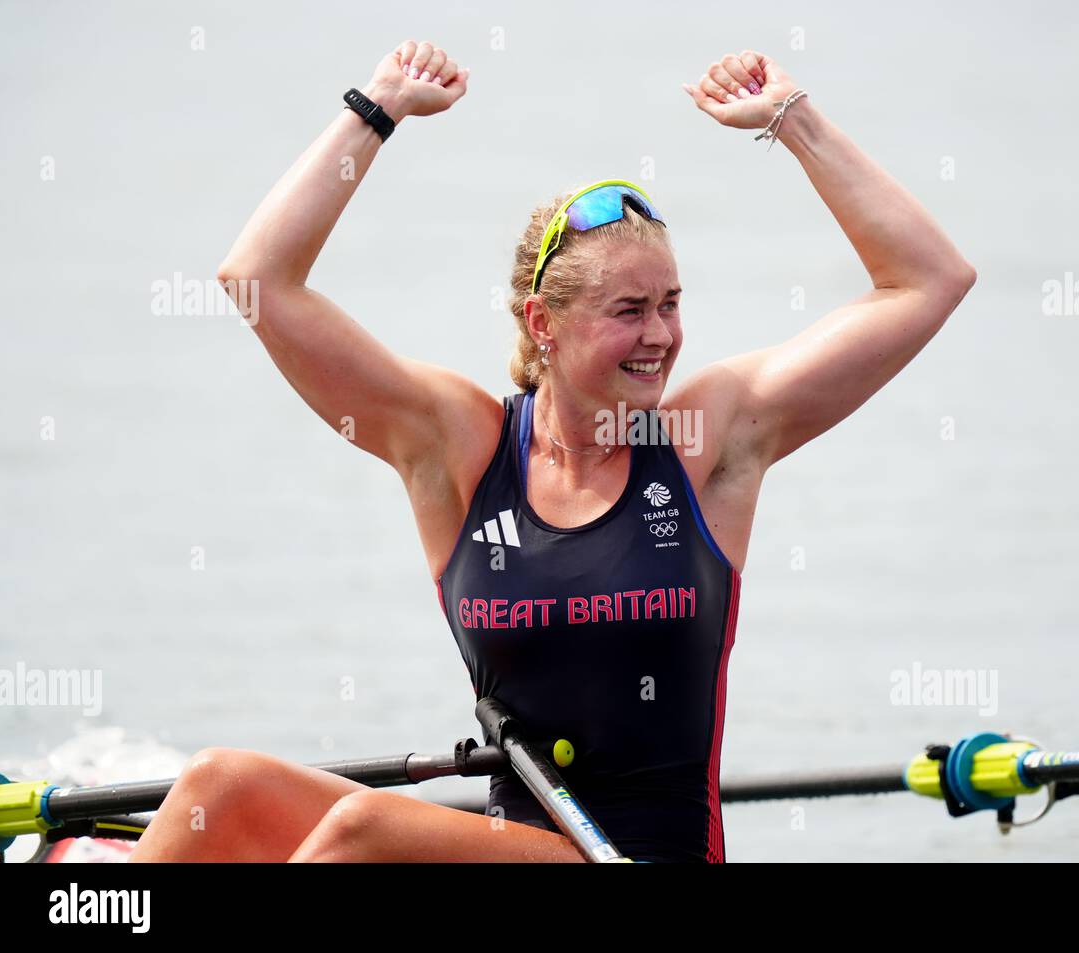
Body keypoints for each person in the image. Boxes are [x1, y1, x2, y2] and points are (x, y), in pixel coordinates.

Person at [130, 39, 974, 863]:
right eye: (629, 310)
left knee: (363, 834)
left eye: (670, 304)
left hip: (644, 853)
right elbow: (258, 280)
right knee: (214, 787)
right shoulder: (458, 446)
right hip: (517, 848)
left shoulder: (704, 441)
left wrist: (792, 119)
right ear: (544, 325)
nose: (662, 336)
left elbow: (928, 280)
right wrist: (376, 110)